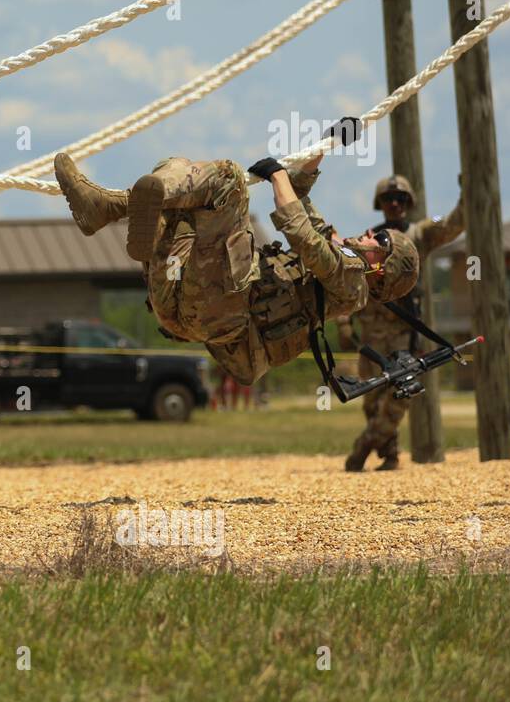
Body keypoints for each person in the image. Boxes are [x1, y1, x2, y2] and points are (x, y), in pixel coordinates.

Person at [52, 141, 419, 387]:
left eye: (382, 240)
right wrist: (327, 145)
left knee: (228, 180)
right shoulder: (343, 260)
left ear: (383, 270)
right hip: (181, 303)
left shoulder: (352, 285)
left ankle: (112, 207)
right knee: (175, 169)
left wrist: (275, 175)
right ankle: (115, 211)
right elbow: (303, 200)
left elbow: (302, 233)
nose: (373, 232)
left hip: (222, 310)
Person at [336, 174, 464, 471]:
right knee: (370, 400)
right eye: (389, 199)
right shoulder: (368, 239)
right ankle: (389, 454)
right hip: (369, 331)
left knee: (398, 396)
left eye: (401, 199)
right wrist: (344, 322)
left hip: (403, 333)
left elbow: (455, 224)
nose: (395, 204)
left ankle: (364, 446)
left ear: (409, 203)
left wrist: (467, 193)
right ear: (379, 204)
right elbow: (348, 280)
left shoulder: (419, 235)